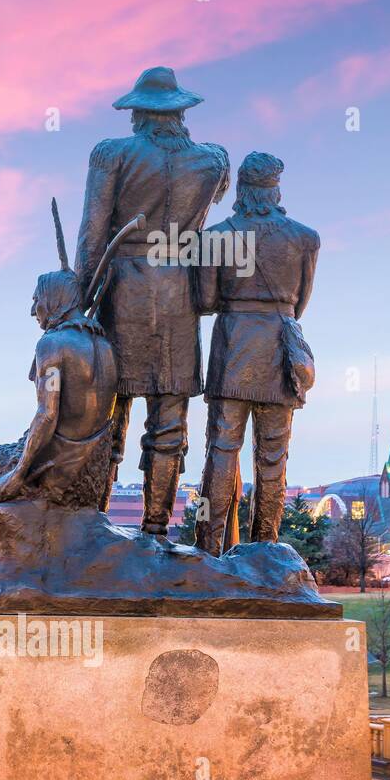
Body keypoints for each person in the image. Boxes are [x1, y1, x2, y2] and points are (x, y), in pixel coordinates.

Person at [75, 67, 230, 535]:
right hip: (180, 290)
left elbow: (93, 232)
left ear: (138, 113)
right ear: (181, 112)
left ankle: (95, 523)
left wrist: (77, 303)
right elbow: (215, 200)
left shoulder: (111, 154)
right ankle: (156, 528)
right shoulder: (214, 160)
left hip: (123, 288)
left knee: (107, 413)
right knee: (169, 418)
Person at [194, 152, 318, 554]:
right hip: (280, 351)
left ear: (242, 190)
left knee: (220, 450)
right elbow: (299, 304)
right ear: (276, 190)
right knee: (273, 457)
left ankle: (208, 545)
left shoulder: (215, 237)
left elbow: (205, 301)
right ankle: (265, 548)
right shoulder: (305, 238)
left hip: (232, 349)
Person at [0, 270, 117, 513]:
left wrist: (17, 474)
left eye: (37, 300)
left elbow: (47, 414)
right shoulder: (105, 347)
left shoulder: (52, 344)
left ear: (54, 299)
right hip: (90, 475)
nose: (33, 311)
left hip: (53, 469)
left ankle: (0, 535)